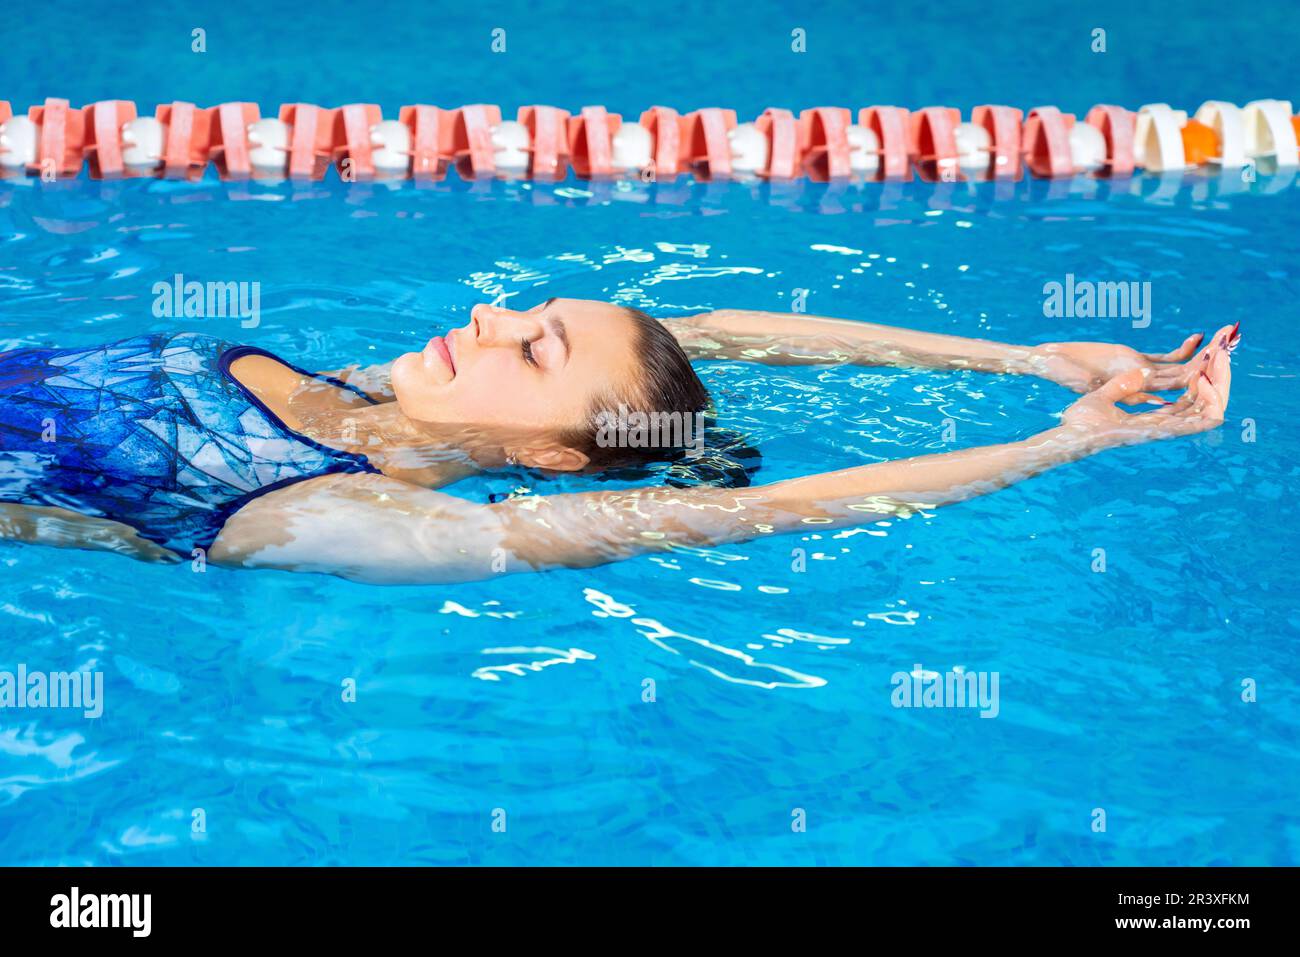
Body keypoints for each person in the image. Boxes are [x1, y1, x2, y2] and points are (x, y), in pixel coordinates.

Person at [0, 299, 1238, 582]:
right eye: (526, 316)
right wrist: (1025, 359)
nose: (488, 316)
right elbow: (714, 335)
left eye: (531, 349)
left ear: (544, 456)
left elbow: (754, 508)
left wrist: (1062, 441)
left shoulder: (347, 513)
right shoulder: (370, 392)